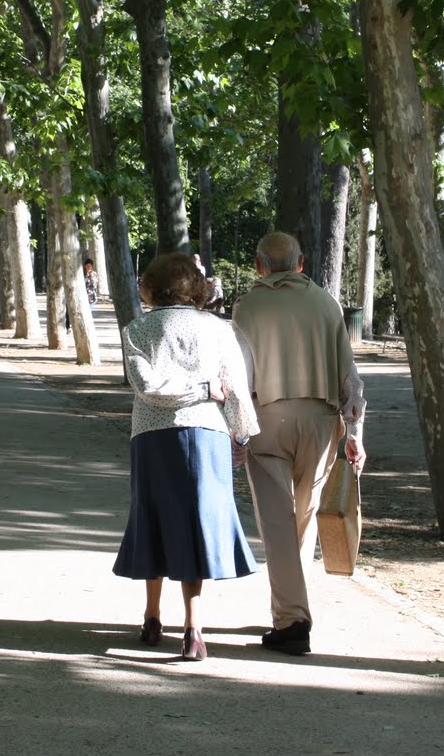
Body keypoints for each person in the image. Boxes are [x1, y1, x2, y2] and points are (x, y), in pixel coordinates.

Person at [113, 252, 261, 662]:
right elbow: (233, 384)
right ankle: (194, 628)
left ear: (151, 287)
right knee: (196, 525)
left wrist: (197, 389)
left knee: (153, 518)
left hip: (151, 435)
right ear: (194, 287)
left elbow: (147, 386)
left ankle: (151, 616)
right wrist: (241, 433)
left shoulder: (138, 329)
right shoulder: (217, 328)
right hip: (206, 433)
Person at [231, 232, 366, 657]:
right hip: (321, 422)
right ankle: (290, 609)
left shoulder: (248, 307)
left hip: (266, 419)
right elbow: (351, 377)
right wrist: (355, 434)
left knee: (276, 522)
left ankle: (291, 620)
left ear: (258, 266)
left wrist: (236, 431)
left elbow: (240, 377)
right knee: (303, 517)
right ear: (302, 262)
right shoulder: (328, 304)